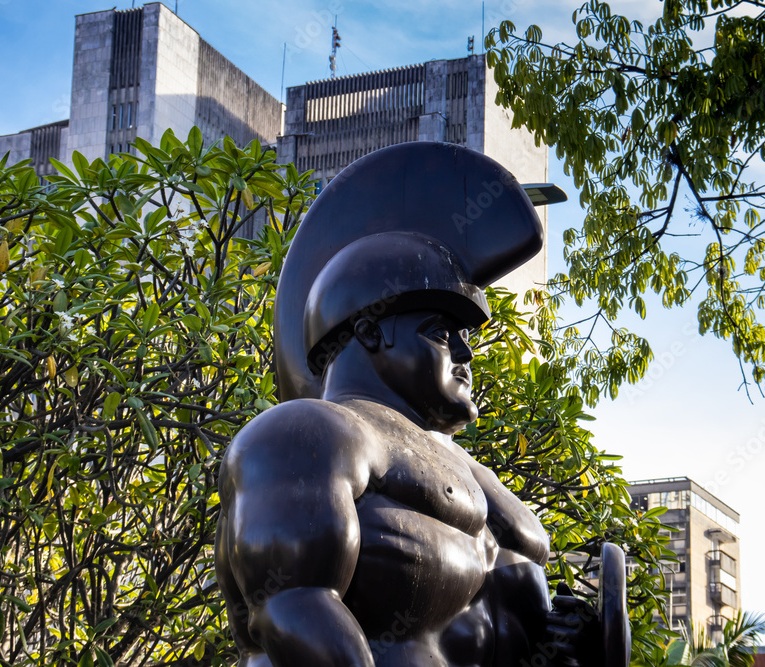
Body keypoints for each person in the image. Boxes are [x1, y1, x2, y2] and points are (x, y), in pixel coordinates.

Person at [214, 144, 625, 666]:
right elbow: (293, 606)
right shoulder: (309, 434)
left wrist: (571, 645)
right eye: (439, 332)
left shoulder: (479, 481)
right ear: (368, 330)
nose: (464, 352)